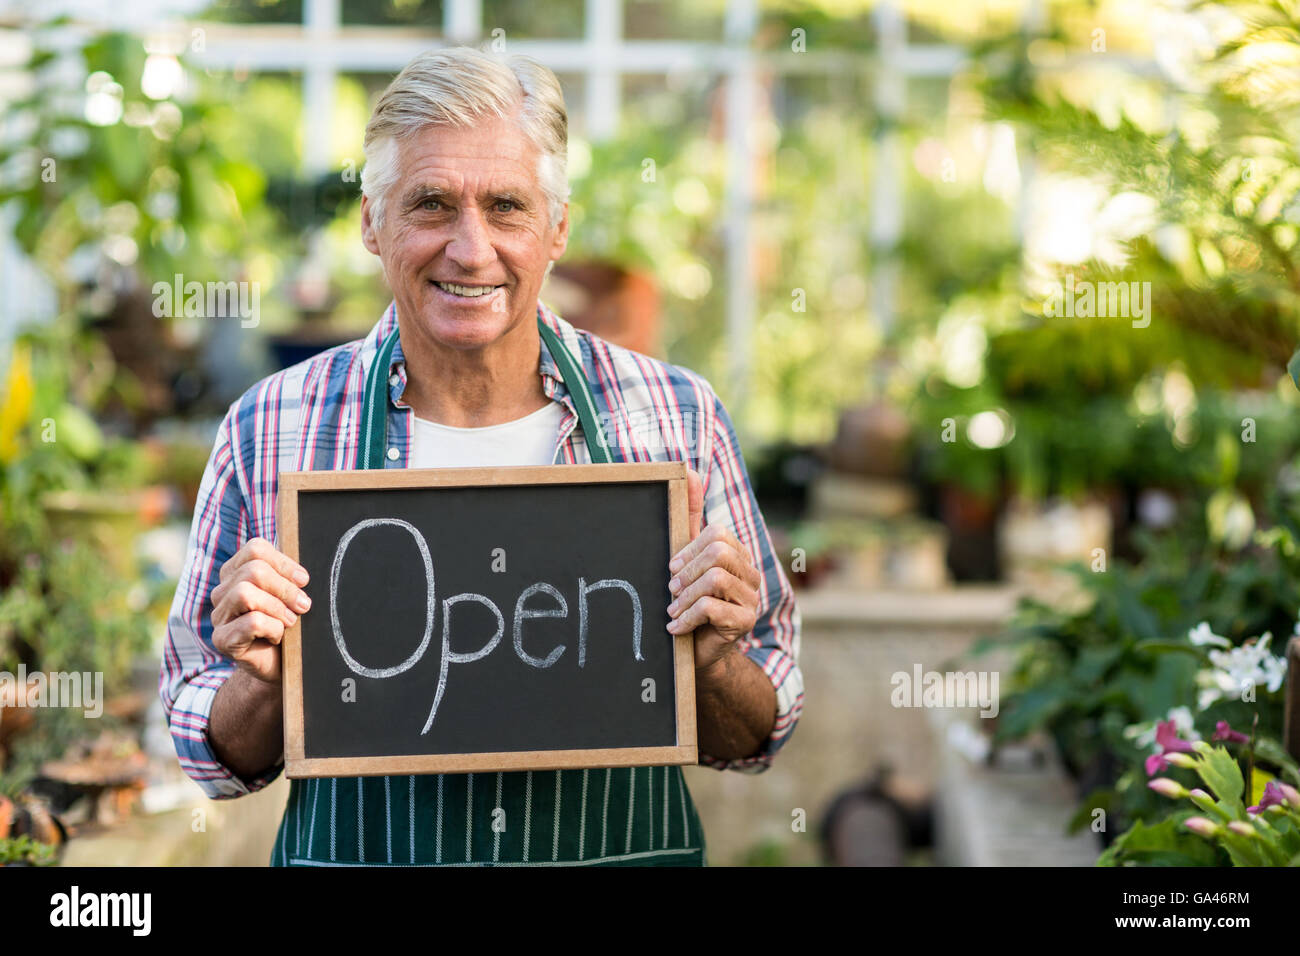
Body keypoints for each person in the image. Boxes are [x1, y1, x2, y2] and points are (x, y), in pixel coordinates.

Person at [159, 47, 803, 866]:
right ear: (371, 222)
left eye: (506, 207)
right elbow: (209, 747)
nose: (471, 250)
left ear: (557, 228)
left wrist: (715, 663)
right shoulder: (271, 425)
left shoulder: (675, 418)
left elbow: (759, 730)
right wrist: (260, 677)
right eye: (431, 205)